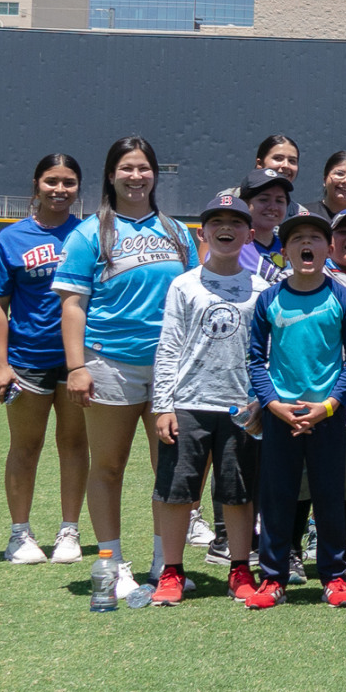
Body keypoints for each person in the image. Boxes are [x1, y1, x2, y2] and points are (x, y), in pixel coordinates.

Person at [54, 136, 197, 601]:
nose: (136, 177)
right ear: (111, 175)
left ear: (155, 174)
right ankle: (110, 564)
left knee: (169, 469)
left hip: (169, 367)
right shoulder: (88, 233)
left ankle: (165, 562)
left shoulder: (177, 232)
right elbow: (73, 305)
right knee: (109, 466)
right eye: (126, 169)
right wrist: (77, 367)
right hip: (109, 362)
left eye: (144, 168)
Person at [146, 187, 265, 604]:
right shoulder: (184, 284)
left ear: (249, 235)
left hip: (241, 407)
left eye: (235, 223)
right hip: (190, 402)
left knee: (238, 492)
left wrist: (261, 402)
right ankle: (172, 571)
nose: (226, 229)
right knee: (177, 491)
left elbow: (265, 351)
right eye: (217, 223)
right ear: (204, 233)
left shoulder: (261, 287)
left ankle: (239, 569)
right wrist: (163, 405)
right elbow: (169, 346)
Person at [244, 210, 346, 610]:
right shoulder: (269, 299)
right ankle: (273, 578)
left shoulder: (342, 298)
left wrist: (328, 405)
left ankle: (333, 576)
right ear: (286, 250)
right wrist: (274, 405)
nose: (306, 244)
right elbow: (254, 360)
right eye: (297, 239)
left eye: (314, 237)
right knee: (276, 498)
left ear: (328, 247)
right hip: (281, 417)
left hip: (325, 417)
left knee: (330, 497)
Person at [0, 153, 87, 567]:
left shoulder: (89, 234)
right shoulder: (10, 239)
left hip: (79, 359)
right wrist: (0, 364)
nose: (60, 189)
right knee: (26, 446)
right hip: (27, 359)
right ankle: (19, 534)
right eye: (52, 181)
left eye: (68, 182)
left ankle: (69, 531)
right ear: (36, 184)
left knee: (74, 443)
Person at [237, 168, 292, 283]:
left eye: (280, 201)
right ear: (244, 204)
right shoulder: (231, 247)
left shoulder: (291, 247)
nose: (273, 207)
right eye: (263, 199)